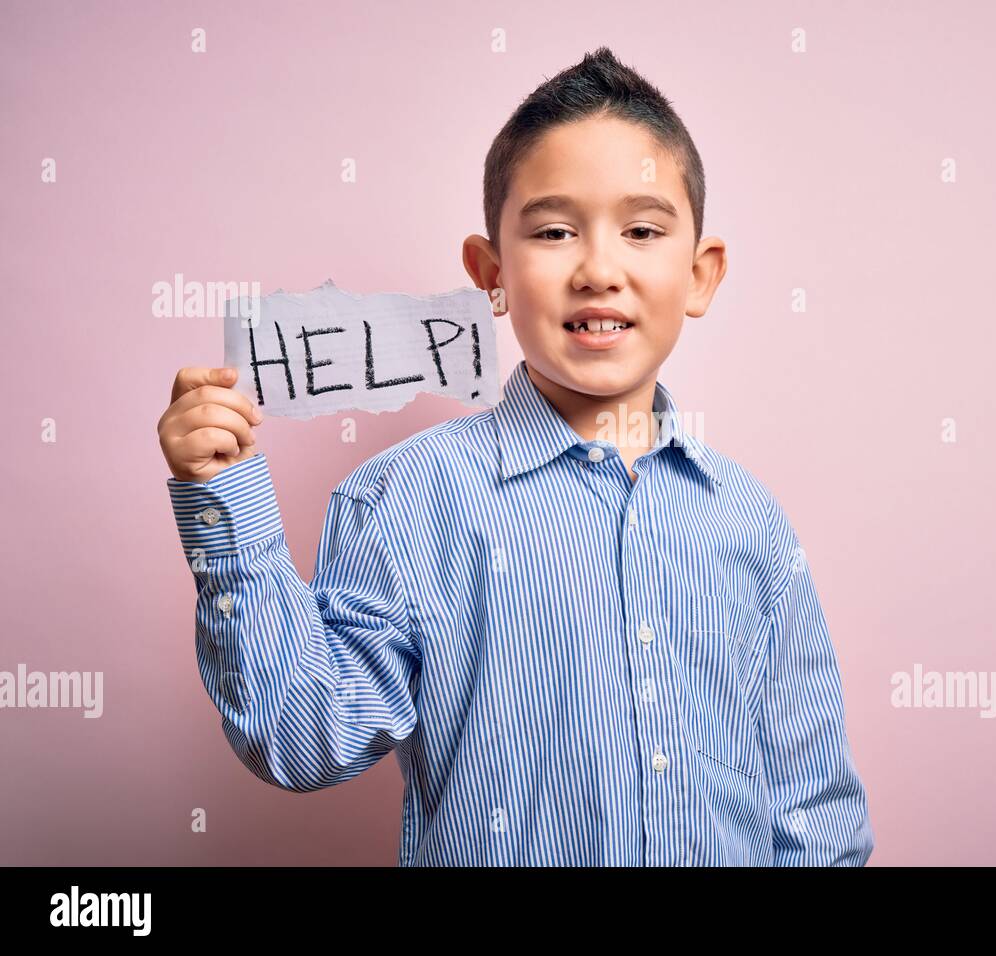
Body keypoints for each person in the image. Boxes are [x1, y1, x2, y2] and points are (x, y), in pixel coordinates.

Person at [156, 46, 874, 866]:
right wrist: (224, 499)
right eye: (555, 231)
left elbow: (815, 813)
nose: (599, 270)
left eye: (641, 230)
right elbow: (300, 732)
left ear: (700, 275)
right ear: (491, 273)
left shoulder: (752, 524)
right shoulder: (405, 501)